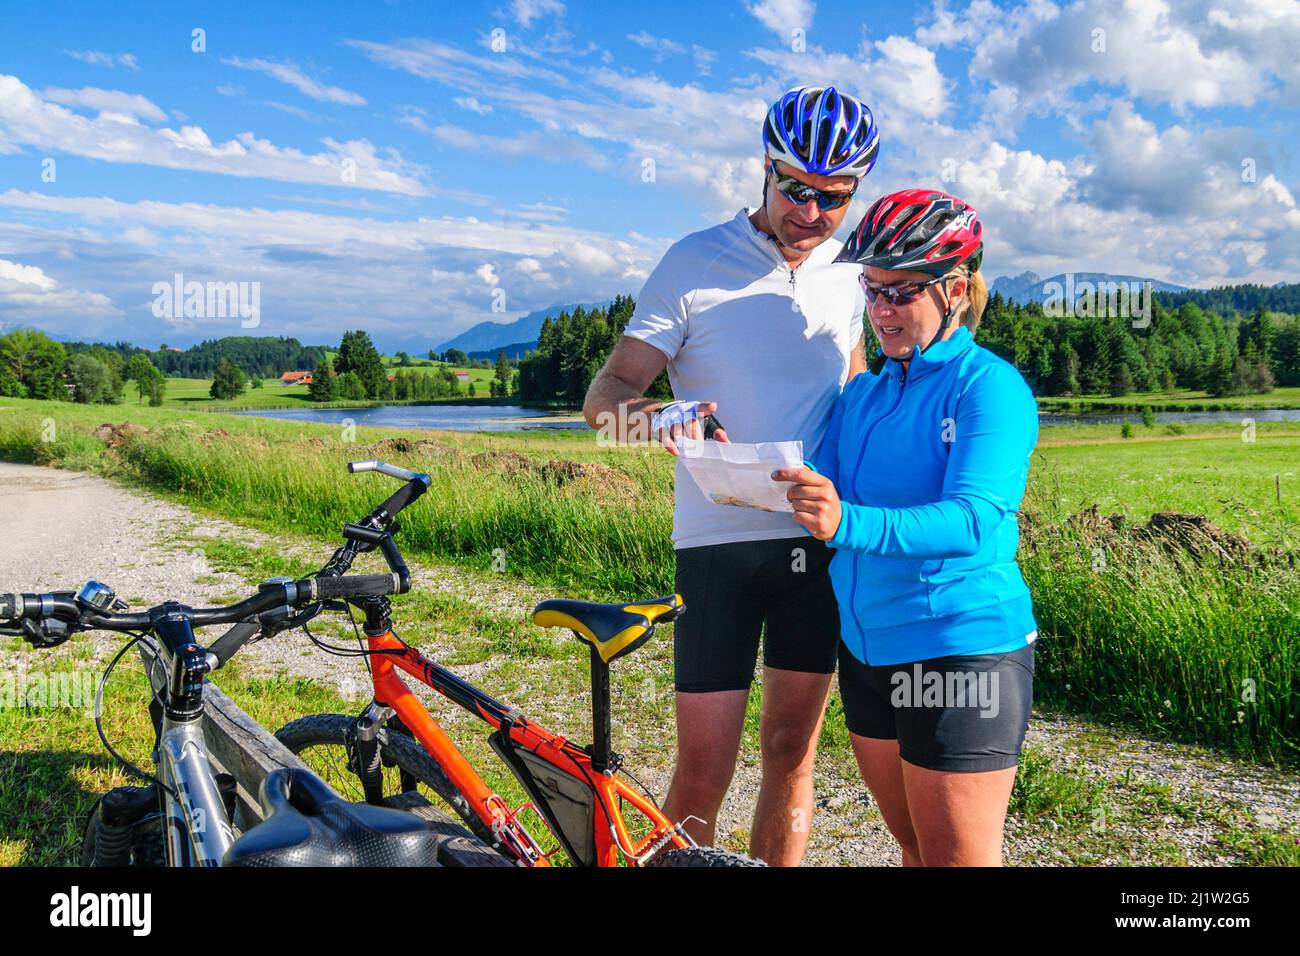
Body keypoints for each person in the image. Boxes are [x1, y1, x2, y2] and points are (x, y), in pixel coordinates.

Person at [582, 86, 879, 865]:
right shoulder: (694, 260)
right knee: (704, 770)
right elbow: (603, 400)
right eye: (797, 189)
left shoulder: (852, 279)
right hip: (716, 545)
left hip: (815, 544)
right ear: (767, 170)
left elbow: (853, 398)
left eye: (834, 198)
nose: (811, 213)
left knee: (791, 753)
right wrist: (656, 420)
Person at [773, 188, 1039, 866]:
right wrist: (723, 450)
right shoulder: (864, 392)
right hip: (867, 649)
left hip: (958, 646)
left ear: (954, 289)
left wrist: (848, 523)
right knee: (913, 848)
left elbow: (974, 519)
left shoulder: (989, 388)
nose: (881, 310)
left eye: (902, 292)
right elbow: (815, 480)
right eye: (873, 289)